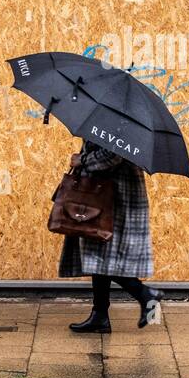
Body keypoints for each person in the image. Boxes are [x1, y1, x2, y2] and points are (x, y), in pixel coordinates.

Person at [59, 139, 163, 333]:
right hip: (102, 193)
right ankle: (100, 315)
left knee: (103, 256)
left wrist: (82, 160)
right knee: (96, 251)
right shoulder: (109, 118)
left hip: (114, 197)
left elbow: (113, 155)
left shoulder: (121, 121)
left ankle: (146, 294)